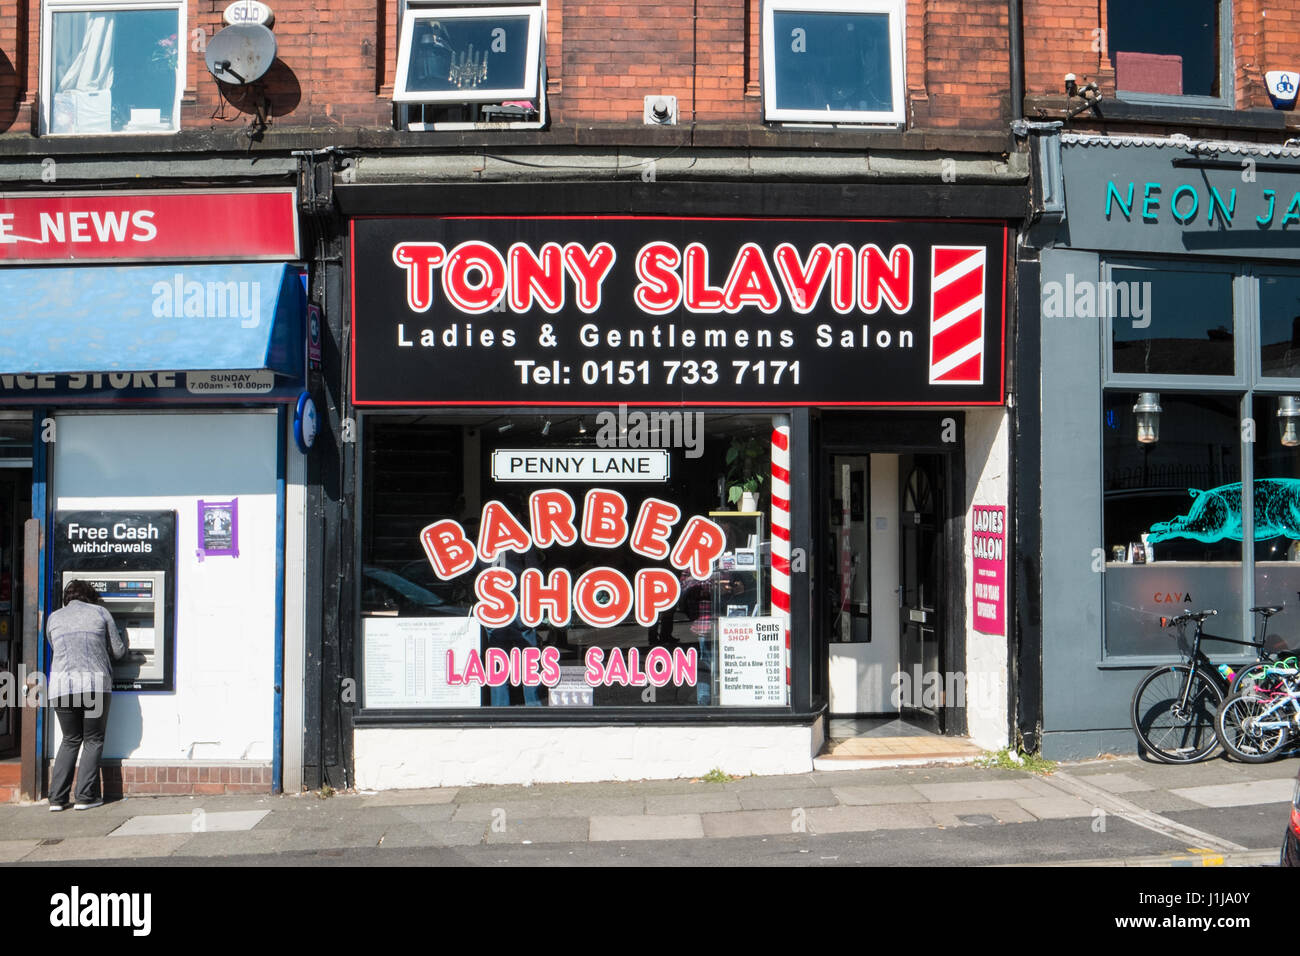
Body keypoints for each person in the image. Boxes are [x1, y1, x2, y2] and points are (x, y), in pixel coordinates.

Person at [46, 579, 126, 811]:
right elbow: (119, 651)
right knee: (93, 740)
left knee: (70, 739)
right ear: (90, 597)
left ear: (67, 599)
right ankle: (85, 797)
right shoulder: (100, 612)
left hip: (61, 687)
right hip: (94, 685)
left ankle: (57, 800)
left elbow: (55, 647)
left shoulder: (54, 617)